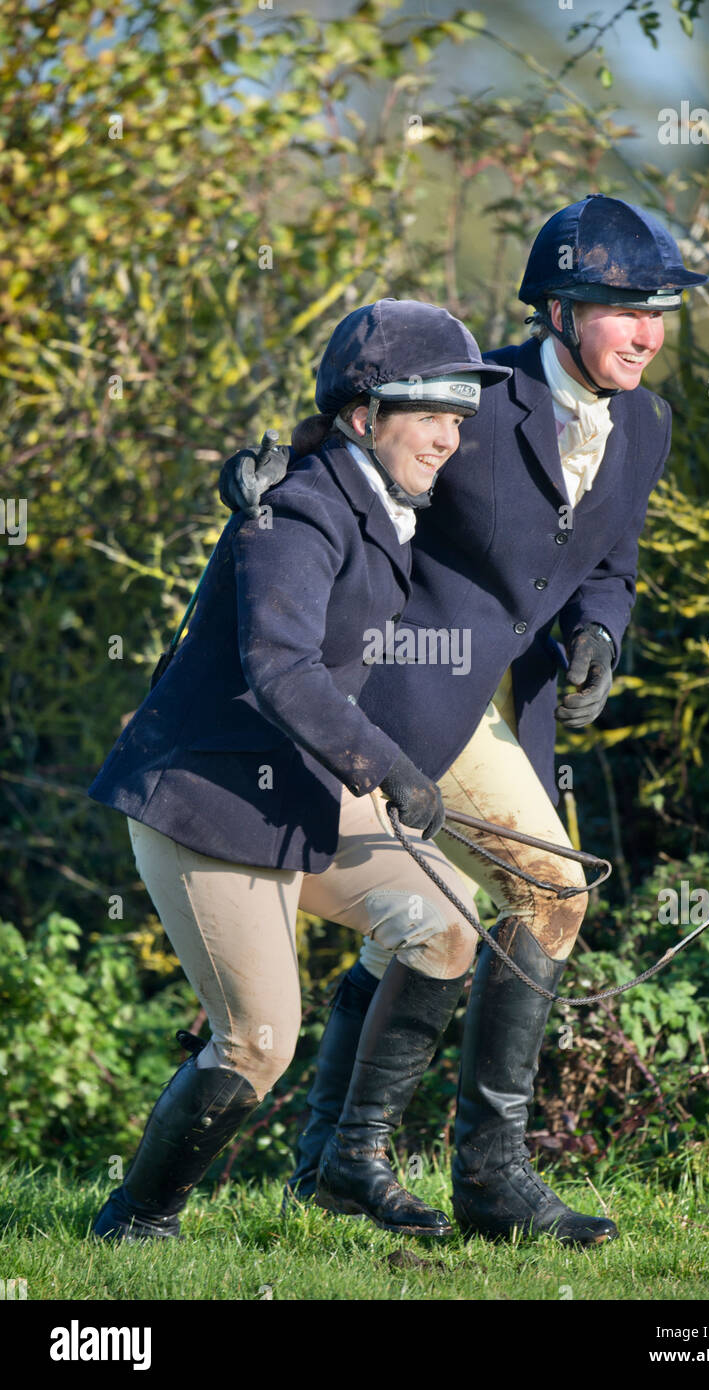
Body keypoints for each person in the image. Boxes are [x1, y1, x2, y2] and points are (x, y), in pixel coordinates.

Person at [221, 195, 709, 1244]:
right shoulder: (477, 393)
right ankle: (489, 1174)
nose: (650, 334)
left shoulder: (649, 425)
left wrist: (599, 639)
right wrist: (265, 488)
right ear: (561, 309)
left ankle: (334, 1155)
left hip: (513, 704)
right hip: (410, 686)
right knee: (553, 890)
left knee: (423, 919)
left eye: (660, 312)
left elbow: (611, 569)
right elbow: (353, 443)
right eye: (627, 311)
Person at [86, 298, 511, 1242]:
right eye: (430, 414)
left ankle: (345, 1163)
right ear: (363, 415)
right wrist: (391, 767)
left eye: (459, 417)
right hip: (203, 796)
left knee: (443, 924)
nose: (450, 438)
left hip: (297, 786)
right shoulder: (299, 510)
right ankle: (137, 1222)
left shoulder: (379, 497)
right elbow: (280, 665)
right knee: (259, 1041)